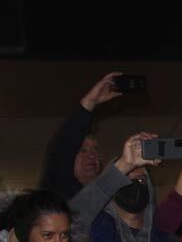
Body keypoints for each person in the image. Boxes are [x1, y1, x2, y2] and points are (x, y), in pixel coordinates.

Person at [37, 72, 122, 200]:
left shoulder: (106, 201)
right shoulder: (56, 201)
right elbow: (62, 147)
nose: (93, 156)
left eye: (95, 150)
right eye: (83, 150)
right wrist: (89, 103)